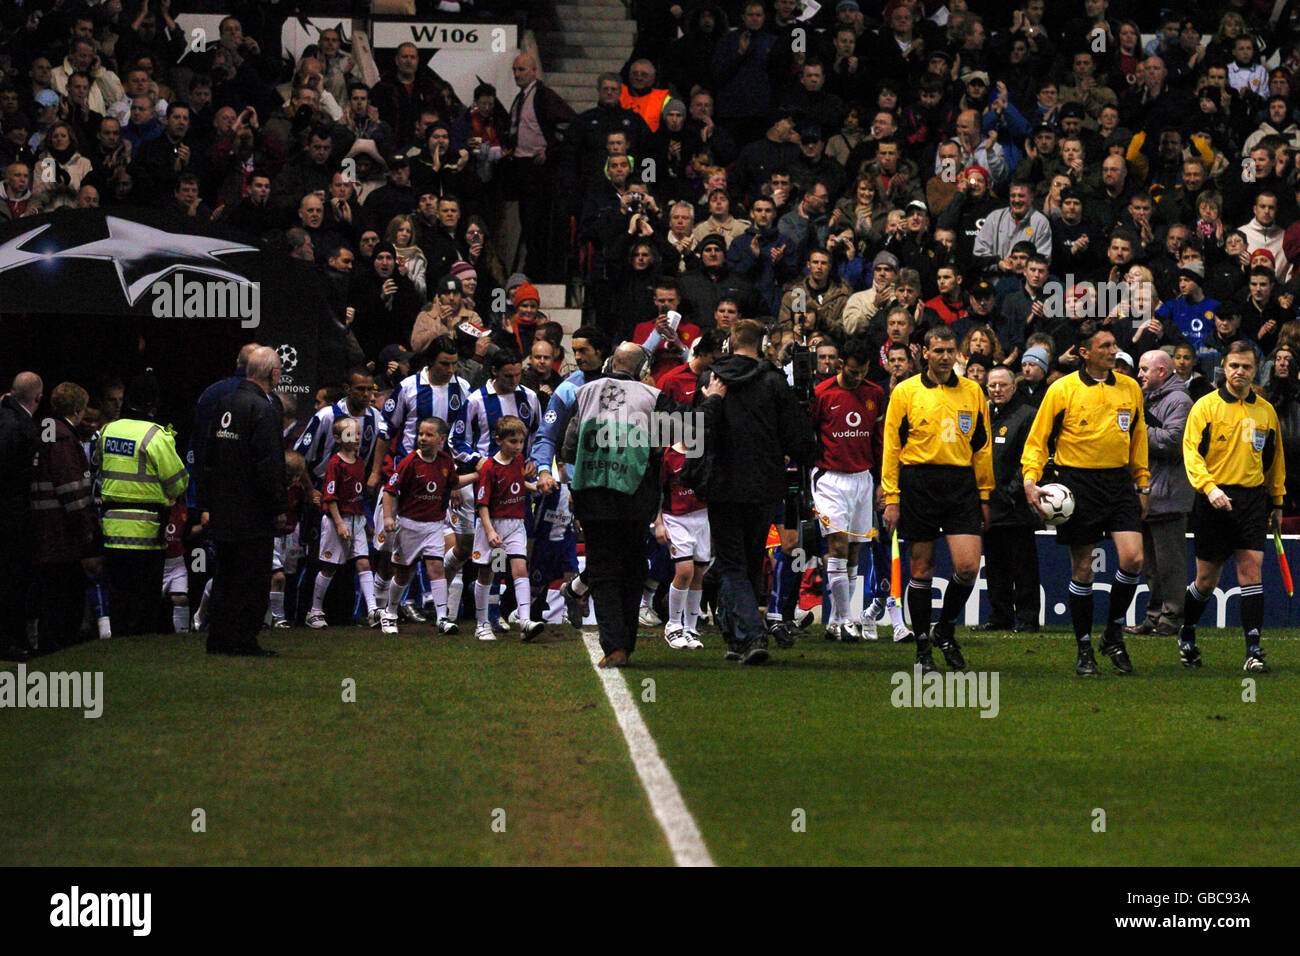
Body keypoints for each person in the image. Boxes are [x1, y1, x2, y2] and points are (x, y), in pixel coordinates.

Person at [554, 343, 725, 667]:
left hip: (592, 496)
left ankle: (614, 645)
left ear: (609, 363)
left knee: (603, 570)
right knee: (631, 569)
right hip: (633, 500)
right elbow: (693, 429)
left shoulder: (586, 393)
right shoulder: (649, 397)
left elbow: (567, 447)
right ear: (642, 371)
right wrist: (712, 399)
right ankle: (623, 645)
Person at [1022, 321, 1149, 676]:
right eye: (1105, 346)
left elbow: (1138, 439)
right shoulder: (1062, 390)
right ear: (1085, 352)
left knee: (1133, 559)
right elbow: (1038, 440)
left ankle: (1112, 633)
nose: (1113, 351)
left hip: (1119, 482)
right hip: (1077, 483)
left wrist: (1142, 483)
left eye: (1114, 345)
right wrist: (1031, 480)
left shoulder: (1130, 388)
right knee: (1083, 569)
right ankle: (1083, 648)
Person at [698, 321, 813, 664]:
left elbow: (694, 433)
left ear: (730, 342)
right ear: (762, 344)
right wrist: (800, 456)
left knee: (733, 563)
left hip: (723, 484)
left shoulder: (710, 380)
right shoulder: (773, 382)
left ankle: (747, 635)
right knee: (747, 562)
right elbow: (798, 435)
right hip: (764, 485)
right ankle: (740, 635)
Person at [881, 325, 993, 674]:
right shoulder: (905, 392)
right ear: (924, 354)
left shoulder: (973, 392)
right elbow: (892, 447)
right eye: (938, 351)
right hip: (918, 483)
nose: (945, 357)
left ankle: (944, 628)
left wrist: (985, 494)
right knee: (921, 568)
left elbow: (982, 446)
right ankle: (922, 647)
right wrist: (891, 496)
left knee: (967, 567)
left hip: (960, 484)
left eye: (950, 351)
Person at [1178, 342, 1286, 673]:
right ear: (1224, 367)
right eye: (1234, 366)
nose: (1239, 372)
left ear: (1256, 371)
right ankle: (1187, 632)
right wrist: (1209, 488)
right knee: (1206, 580)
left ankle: (1253, 650)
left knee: (1250, 573)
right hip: (1213, 500)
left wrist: (1277, 500)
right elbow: (1191, 452)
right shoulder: (1205, 407)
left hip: (1252, 502)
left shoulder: (1266, 411)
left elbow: (1273, 460)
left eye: (1247, 367)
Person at [382, 336, 475, 628]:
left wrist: (455, 484)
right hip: (406, 484)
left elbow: (460, 439)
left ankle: (442, 616)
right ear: (430, 362)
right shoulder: (409, 387)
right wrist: (375, 473)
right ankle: (386, 608)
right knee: (397, 561)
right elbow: (387, 431)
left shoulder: (463, 389)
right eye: (444, 364)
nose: (450, 370)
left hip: (441, 484)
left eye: (453, 364)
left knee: (435, 562)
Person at [200, 347, 286, 656]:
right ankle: (243, 639)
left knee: (225, 574)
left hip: (224, 507)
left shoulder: (227, 401)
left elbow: (209, 457)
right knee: (252, 577)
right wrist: (277, 507)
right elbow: (269, 463)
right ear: (272, 374)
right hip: (252, 511)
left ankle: (218, 637)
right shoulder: (264, 407)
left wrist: (209, 501)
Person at [98, 372, 188, 637]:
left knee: (119, 598)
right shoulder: (155, 435)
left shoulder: (107, 430)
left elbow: (99, 468)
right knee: (143, 601)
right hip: (146, 534)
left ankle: (118, 646)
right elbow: (178, 482)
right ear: (154, 402)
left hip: (112, 531)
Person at [809, 337, 885, 642]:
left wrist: (881, 481)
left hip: (863, 479)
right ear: (841, 365)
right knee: (837, 545)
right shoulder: (822, 393)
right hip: (830, 478)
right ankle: (848, 618)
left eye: (862, 372)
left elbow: (879, 440)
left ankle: (835, 622)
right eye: (852, 372)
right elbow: (809, 434)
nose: (856, 377)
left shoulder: (875, 394)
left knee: (855, 550)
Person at [380, 417, 476, 635]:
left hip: (434, 525)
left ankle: (442, 618)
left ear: (441, 439)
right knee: (404, 573)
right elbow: (389, 490)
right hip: (409, 525)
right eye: (421, 434)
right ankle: (390, 613)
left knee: (436, 568)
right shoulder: (409, 462)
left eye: (428, 435)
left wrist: (478, 474)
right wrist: (388, 517)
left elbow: (454, 482)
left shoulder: (445, 462)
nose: (422, 438)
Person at [1127, 350, 1194, 639]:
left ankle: (1171, 618)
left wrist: (1135, 429)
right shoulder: (1145, 398)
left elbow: (1173, 442)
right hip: (1149, 494)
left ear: (1163, 372)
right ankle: (1154, 616)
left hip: (1169, 495)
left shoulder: (1180, 401)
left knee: (1170, 565)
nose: (1139, 374)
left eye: (1144, 369)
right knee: (1152, 566)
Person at [473, 416, 543, 641]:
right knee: (488, 572)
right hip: (493, 524)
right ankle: (481, 623)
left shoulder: (518, 460)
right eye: (513, 441)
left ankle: (525, 622)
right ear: (499, 440)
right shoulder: (489, 467)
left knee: (520, 569)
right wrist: (490, 531)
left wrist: (536, 487)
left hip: (515, 524)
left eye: (521, 441)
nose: (518, 446)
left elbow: (516, 483)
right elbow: (482, 503)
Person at [982, 365, 1040, 633]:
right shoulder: (984, 415)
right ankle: (1000, 615)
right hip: (989, 504)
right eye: (992, 385)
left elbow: (1030, 457)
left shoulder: (1027, 415)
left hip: (1016, 505)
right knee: (995, 564)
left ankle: (1027, 617)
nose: (997, 390)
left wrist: (1011, 490)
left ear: (1013, 387)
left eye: (1002, 385)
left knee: (1023, 564)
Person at [307, 418, 381, 629]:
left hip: (356, 520)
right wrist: (339, 523)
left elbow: (359, 495)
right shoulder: (335, 464)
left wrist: (365, 520)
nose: (356, 438)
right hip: (335, 520)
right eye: (350, 434)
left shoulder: (359, 463)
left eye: (358, 434)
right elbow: (329, 496)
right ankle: (314, 610)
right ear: (338, 438)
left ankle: (373, 610)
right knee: (329, 566)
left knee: (363, 563)